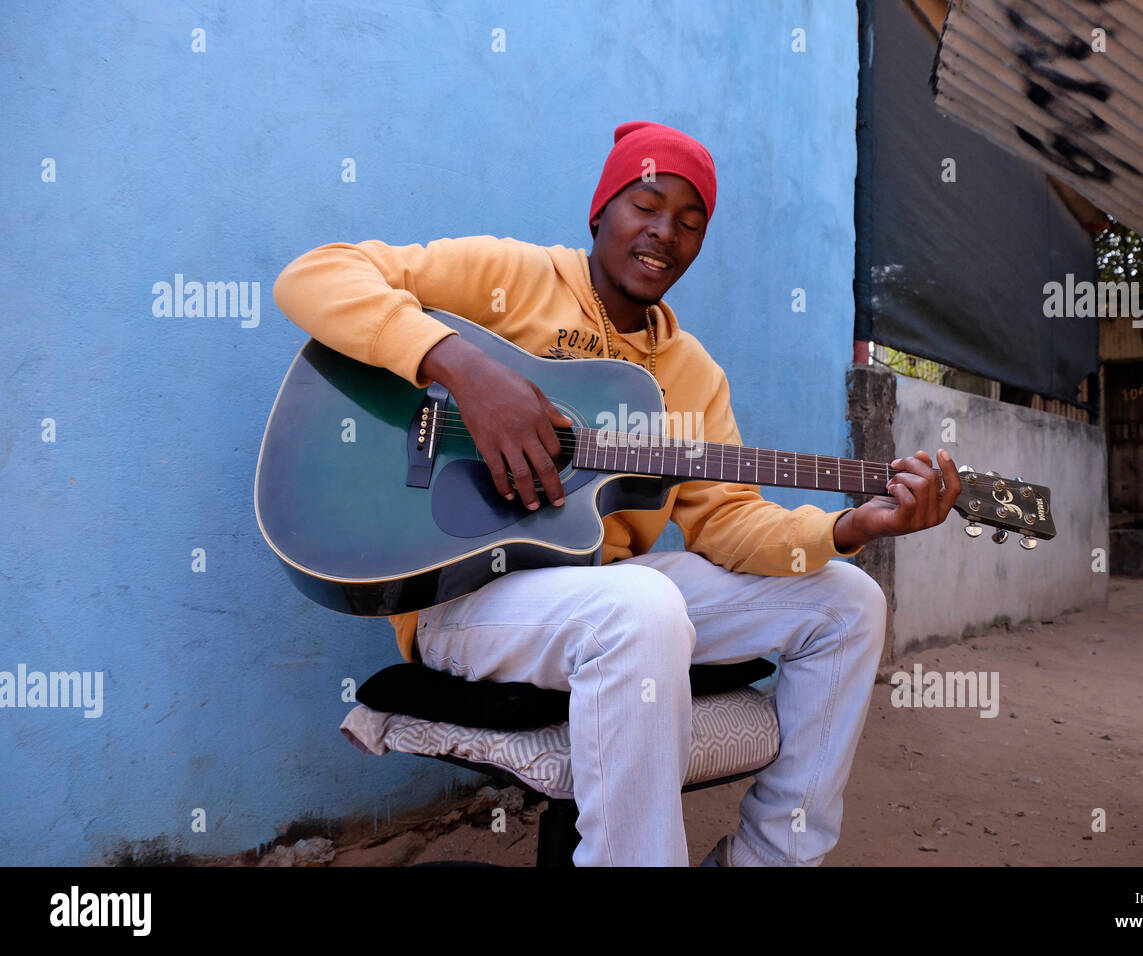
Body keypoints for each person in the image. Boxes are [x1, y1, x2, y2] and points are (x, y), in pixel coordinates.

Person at [273, 120, 960, 866]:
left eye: (690, 224)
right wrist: (466, 371)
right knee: (641, 606)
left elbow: (727, 522)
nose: (665, 233)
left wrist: (849, 526)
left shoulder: (690, 372)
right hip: (466, 599)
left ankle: (766, 859)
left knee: (849, 602)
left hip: (596, 592)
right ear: (601, 209)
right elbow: (315, 274)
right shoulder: (514, 278)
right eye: (647, 204)